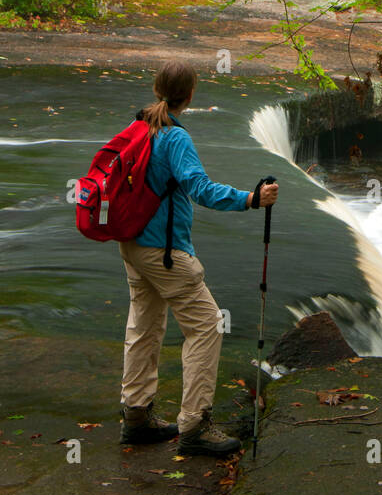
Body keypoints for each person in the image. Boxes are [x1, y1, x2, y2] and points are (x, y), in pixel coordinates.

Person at [118, 59, 278, 457]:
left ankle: (136, 416)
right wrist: (251, 199)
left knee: (145, 323)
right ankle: (194, 425)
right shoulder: (174, 138)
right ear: (190, 96)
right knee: (207, 324)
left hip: (132, 245)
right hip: (165, 253)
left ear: (157, 89)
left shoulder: (138, 126)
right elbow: (200, 189)